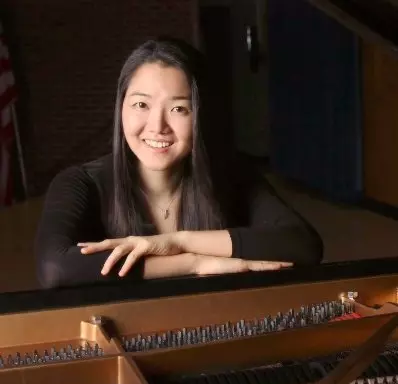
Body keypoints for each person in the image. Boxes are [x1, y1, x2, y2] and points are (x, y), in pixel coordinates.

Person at [35, 37, 323, 289]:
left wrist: (180, 241)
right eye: (141, 105)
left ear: (200, 115)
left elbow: (303, 244)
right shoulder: (80, 183)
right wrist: (193, 263)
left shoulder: (232, 176)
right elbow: (55, 268)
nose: (158, 126)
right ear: (121, 108)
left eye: (179, 109)